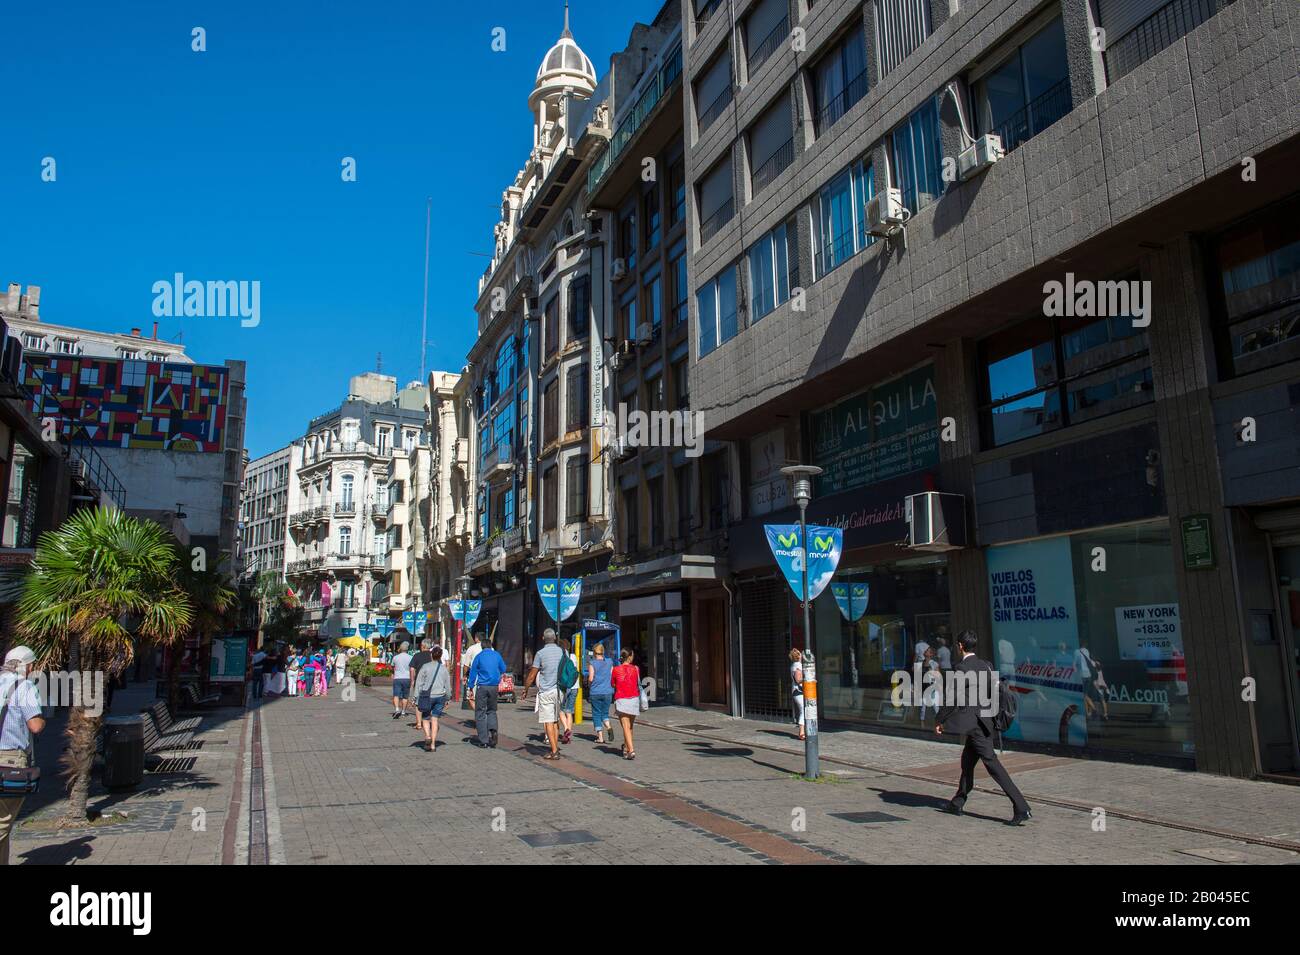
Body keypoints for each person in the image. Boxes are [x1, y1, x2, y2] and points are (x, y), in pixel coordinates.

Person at [935, 629, 1031, 826]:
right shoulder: (986, 665)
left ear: (960, 646)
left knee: (992, 765)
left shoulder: (961, 669)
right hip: (985, 722)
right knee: (967, 762)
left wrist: (939, 720)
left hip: (976, 726)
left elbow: (951, 699)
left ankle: (1021, 807)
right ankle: (958, 802)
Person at [0, 646, 46, 866]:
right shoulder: (24, 686)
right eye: (31, 666)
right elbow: (35, 725)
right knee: (2, 823)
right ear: (26, 666)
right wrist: (44, 719)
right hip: (9, 761)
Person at [523, 629, 565, 760]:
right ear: (554, 638)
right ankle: (555, 746)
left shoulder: (540, 653)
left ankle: (554, 751)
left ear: (543, 638)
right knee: (555, 720)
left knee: (548, 722)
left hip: (546, 691)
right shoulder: (562, 651)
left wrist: (526, 689)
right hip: (559, 691)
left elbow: (532, 674)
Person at [467, 633, 507, 748]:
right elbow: (503, 668)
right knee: (492, 710)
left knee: (480, 713)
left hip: (482, 687)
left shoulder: (479, 656)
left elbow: (473, 673)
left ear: (482, 646)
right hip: (494, 687)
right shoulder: (497, 655)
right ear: (490, 645)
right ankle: (493, 731)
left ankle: (484, 740)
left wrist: (470, 687)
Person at [413, 646, 452, 752]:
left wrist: (416, 697)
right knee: (435, 719)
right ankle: (434, 744)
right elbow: (448, 686)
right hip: (440, 697)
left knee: (425, 718)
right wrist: (448, 698)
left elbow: (419, 683)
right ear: (440, 657)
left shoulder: (425, 667)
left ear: (431, 655)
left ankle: (427, 736)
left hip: (427, 697)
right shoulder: (443, 669)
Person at [611, 648, 641, 760]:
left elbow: (613, 684)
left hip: (622, 699)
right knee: (630, 727)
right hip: (633, 699)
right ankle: (626, 748)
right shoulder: (636, 669)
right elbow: (637, 683)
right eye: (632, 655)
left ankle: (631, 750)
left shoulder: (616, 669)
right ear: (629, 657)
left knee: (625, 726)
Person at [586, 642, 614, 745]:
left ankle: (600, 737)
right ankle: (609, 727)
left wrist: (588, 684)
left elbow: (591, 678)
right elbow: (612, 675)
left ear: (594, 652)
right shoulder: (610, 662)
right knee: (605, 713)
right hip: (607, 691)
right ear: (603, 652)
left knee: (596, 714)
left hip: (596, 692)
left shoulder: (592, 663)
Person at [557, 637, 579, 745]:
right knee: (569, 712)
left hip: (565, 686)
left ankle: (566, 729)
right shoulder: (574, 656)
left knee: (561, 711)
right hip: (575, 687)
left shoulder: (562, 657)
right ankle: (568, 736)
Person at [390, 641, 413, 719]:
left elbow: (392, 667)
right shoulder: (410, 657)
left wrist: (393, 673)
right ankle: (403, 711)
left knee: (396, 695)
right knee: (405, 696)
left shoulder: (395, 657)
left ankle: (397, 709)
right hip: (407, 678)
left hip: (397, 678)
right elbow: (412, 669)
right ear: (407, 649)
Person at [460, 633, 483, 705]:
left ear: (476, 638)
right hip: (489, 678)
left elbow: (466, 665)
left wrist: (464, 676)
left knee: (471, 698)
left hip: (475, 677)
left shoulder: (471, 648)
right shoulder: (491, 649)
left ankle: (479, 713)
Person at [789, 648, 806, 741]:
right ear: (799, 656)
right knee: (803, 710)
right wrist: (807, 678)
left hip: (796, 691)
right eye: (800, 654)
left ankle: (803, 731)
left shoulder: (793, 665)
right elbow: (798, 679)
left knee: (803, 710)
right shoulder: (798, 665)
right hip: (799, 691)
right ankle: (802, 732)